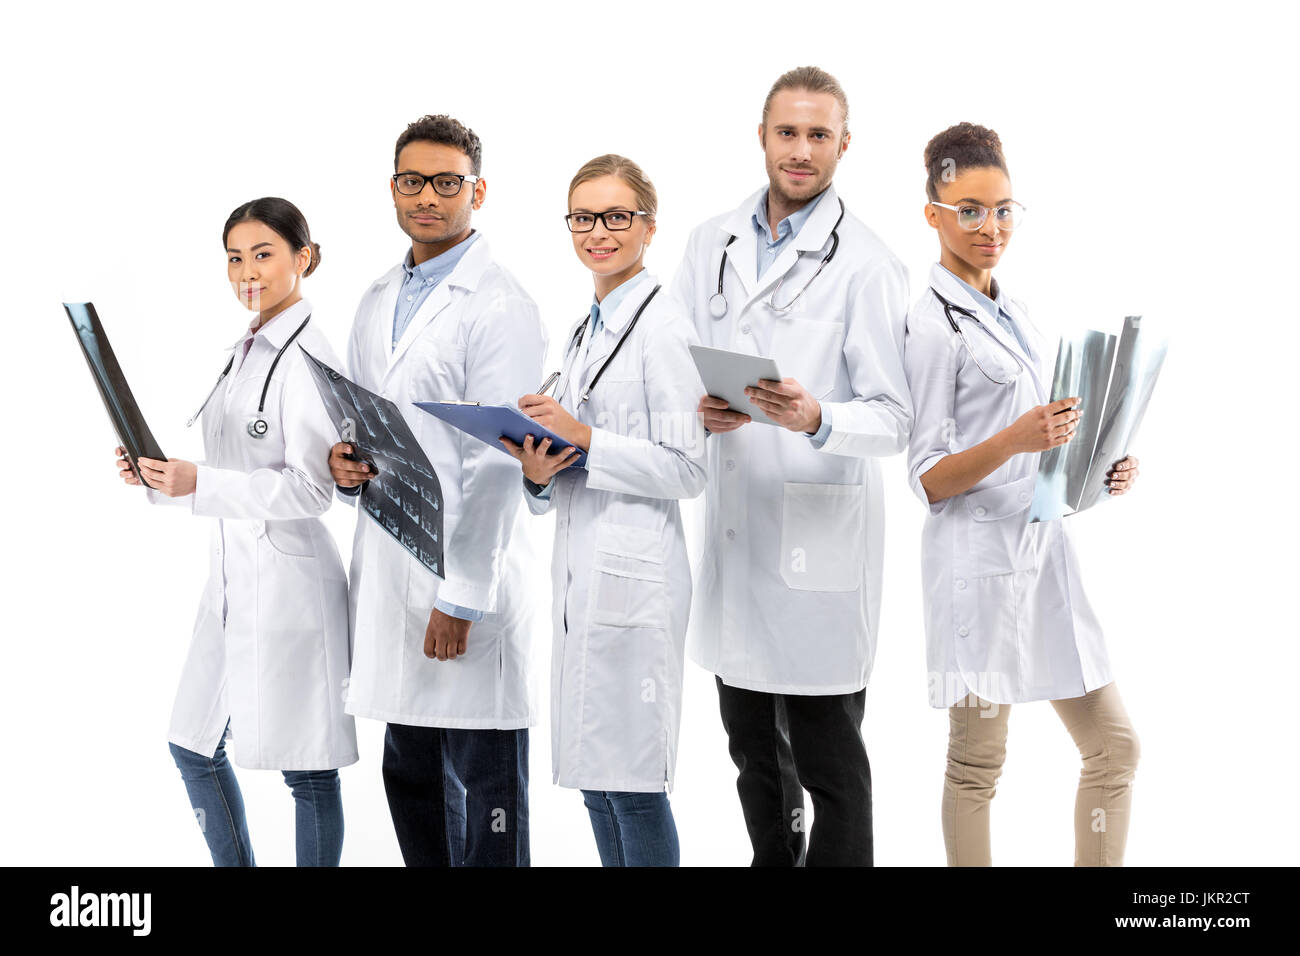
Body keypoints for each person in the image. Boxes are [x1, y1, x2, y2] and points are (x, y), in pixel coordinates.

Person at [671, 66, 912, 866]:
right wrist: (701, 410)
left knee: (830, 768)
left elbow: (894, 421)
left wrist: (818, 418)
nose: (800, 150)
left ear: (845, 144)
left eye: (818, 135)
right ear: (763, 136)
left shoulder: (870, 264)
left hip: (820, 547)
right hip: (739, 535)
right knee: (753, 758)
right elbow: (677, 366)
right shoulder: (711, 241)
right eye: (787, 132)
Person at [903, 122, 1141, 866]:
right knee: (977, 765)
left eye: (1003, 209)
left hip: (1042, 557)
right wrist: (1014, 439)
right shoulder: (930, 325)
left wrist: (1102, 465)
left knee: (1115, 748)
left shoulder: (1019, 312)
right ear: (934, 213)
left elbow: (1047, 442)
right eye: (969, 210)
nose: (990, 227)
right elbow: (928, 477)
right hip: (977, 567)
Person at [327, 114, 545, 867]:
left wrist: (461, 595)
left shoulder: (500, 304)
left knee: (486, 792)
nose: (428, 196)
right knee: (411, 781)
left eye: (447, 182)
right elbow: (364, 420)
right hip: (391, 571)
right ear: (393, 188)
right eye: (413, 181)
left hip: (463, 583)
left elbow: (497, 457)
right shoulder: (377, 296)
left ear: (476, 191)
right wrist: (344, 467)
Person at [114, 197, 357, 866]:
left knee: (307, 769)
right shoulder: (248, 346)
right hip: (230, 583)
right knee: (192, 744)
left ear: (303, 258)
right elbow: (224, 470)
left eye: (262, 253)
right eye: (234, 257)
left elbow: (314, 490)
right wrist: (161, 479)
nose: (245, 270)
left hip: (291, 588)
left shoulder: (309, 355)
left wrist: (201, 484)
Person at [502, 155, 706, 867]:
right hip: (581, 571)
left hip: (636, 580)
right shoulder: (583, 330)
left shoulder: (664, 328)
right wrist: (536, 473)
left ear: (648, 227)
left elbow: (688, 468)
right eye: (584, 217)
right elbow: (566, 472)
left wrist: (585, 436)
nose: (599, 232)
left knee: (634, 784)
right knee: (595, 781)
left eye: (616, 216)